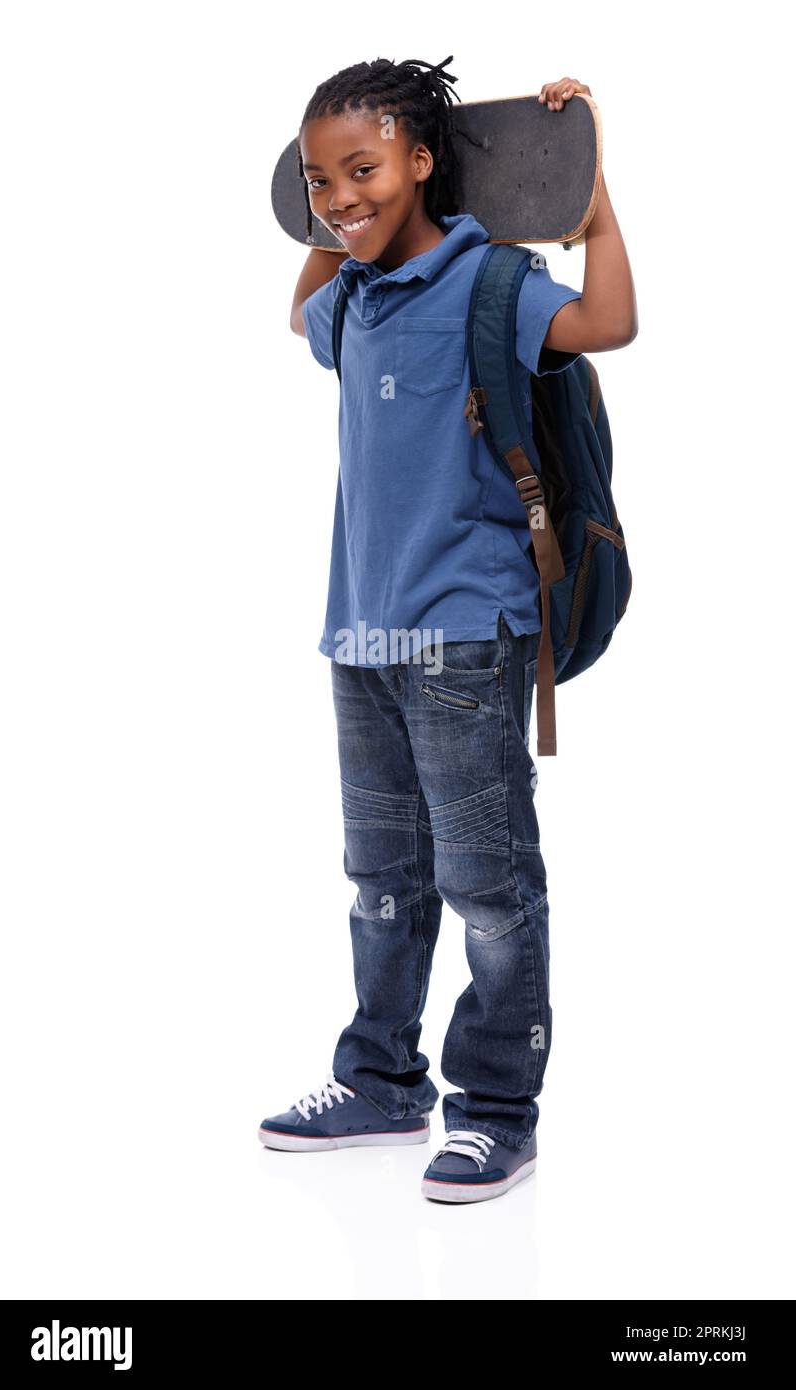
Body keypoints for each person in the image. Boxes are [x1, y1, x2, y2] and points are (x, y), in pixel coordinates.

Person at [259, 57, 638, 1203]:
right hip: (361, 633)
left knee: (487, 887)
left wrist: (588, 188)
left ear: (422, 161)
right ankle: (381, 1078)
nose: (339, 199)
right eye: (321, 182)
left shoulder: (491, 284)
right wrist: (344, 222)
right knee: (379, 876)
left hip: (468, 637)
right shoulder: (350, 299)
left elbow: (608, 321)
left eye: (363, 171)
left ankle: (494, 1112)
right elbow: (298, 307)